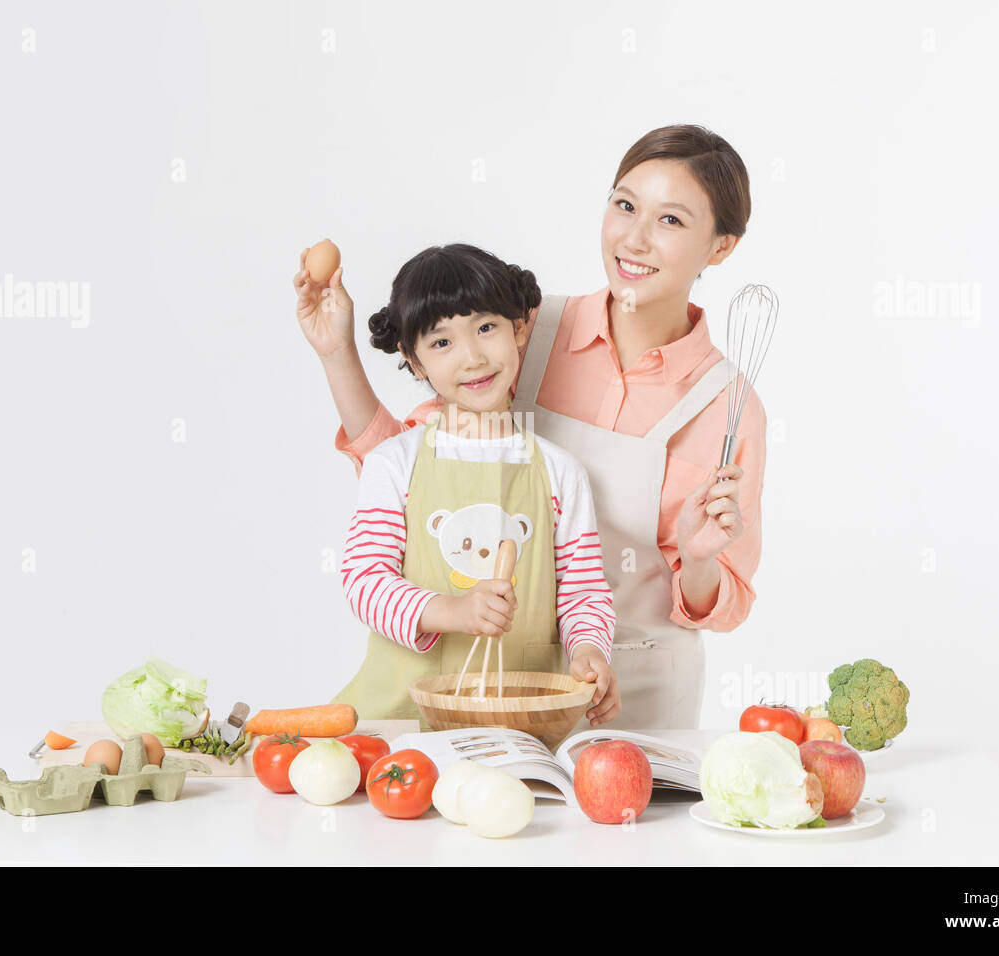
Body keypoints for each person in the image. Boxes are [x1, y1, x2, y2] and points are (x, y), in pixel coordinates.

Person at [298, 125, 765, 730]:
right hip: (498, 686)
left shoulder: (727, 408)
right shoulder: (523, 328)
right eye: (624, 205)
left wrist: (700, 562)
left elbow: (716, 602)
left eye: (671, 221)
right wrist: (338, 354)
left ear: (720, 247)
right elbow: (419, 469)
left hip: (638, 695)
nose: (635, 238)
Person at [295, 243, 619, 723]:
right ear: (415, 360)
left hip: (518, 720)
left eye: (486, 327)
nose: (472, 358)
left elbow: (583, 592)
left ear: (520, 329)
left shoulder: (561, 473)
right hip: (403, 721)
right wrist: (451, 611)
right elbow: (365, 579)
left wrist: (590, 649)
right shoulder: (394, 463)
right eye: (441, 342)